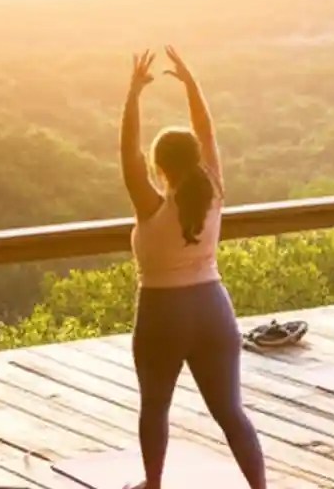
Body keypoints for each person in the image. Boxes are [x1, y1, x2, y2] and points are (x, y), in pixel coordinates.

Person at [122, 47, 267, 489]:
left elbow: (127, 150)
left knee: (155, 408)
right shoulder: (214, 191)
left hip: (162, 313)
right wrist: (191, 83)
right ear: (195, 160)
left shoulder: (151, 204)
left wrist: (133, 95)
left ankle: (153, 484)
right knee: (231, 412)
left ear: (159, 167)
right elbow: (207, 131)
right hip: (212, 309)